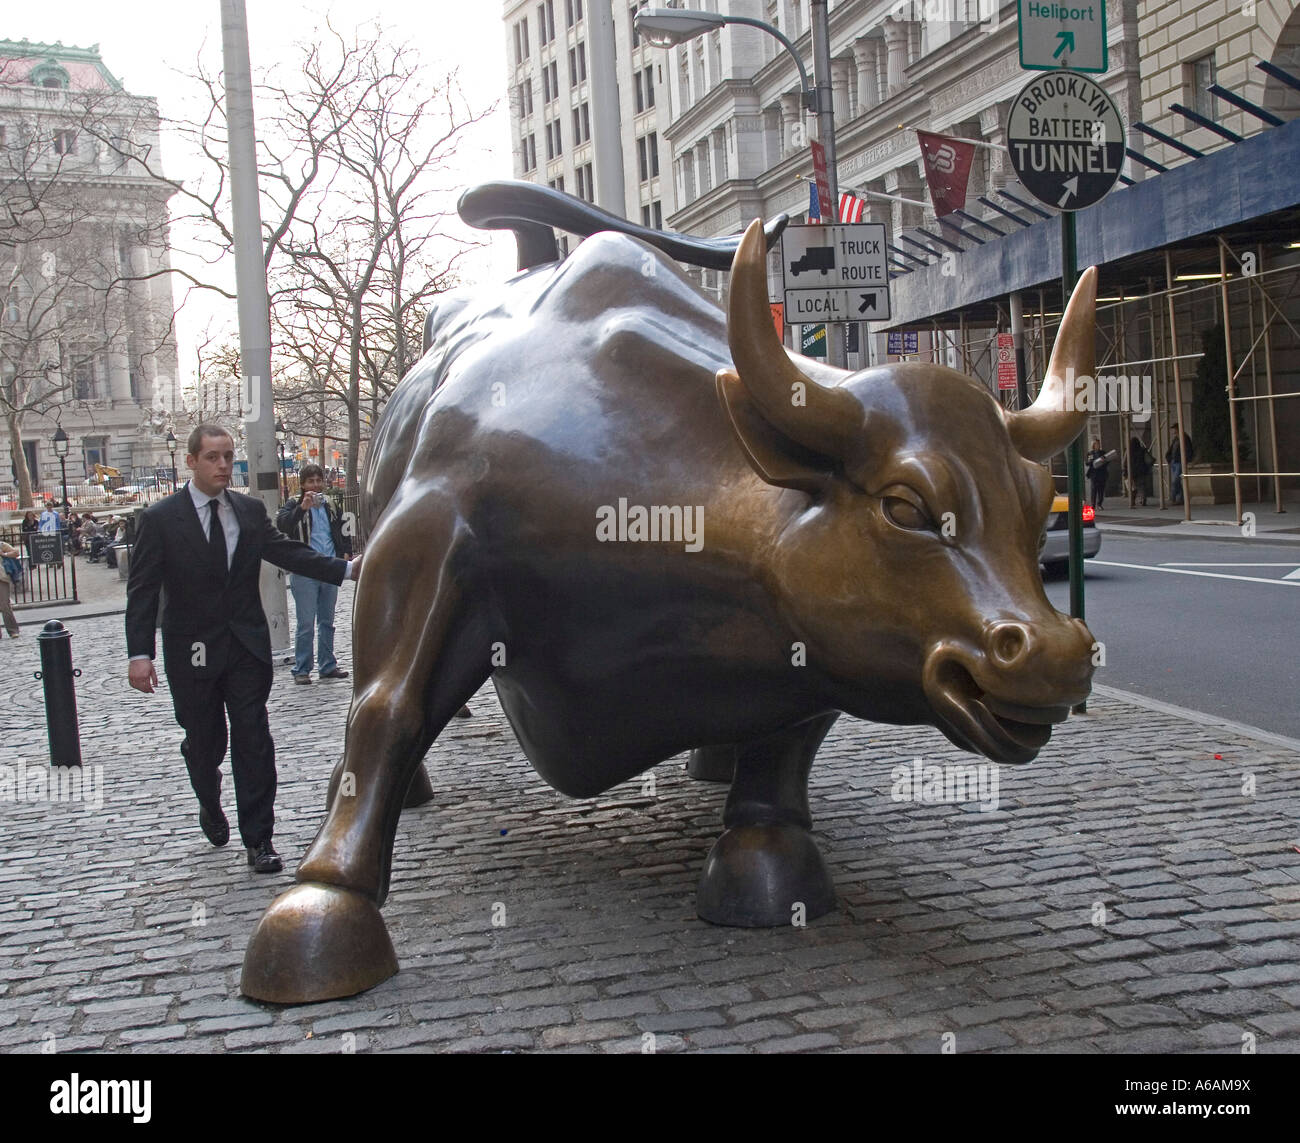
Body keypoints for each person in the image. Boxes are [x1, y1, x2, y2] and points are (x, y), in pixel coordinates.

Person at [125, 424, 362, 873]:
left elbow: (287, 552)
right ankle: (209, 800)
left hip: (245, 648)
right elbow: (142, 590)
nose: (221, 465)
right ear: (191, 461)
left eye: (227, 456)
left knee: (254, 739)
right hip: (191, 651)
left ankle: (260, 840)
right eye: (212, 457)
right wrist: (140, 654)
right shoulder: (160, 519)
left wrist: (345, 570)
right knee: (205, 742)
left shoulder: (249, 512)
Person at [276, 463, 353, 684]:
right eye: (311, 481)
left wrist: (344, 553)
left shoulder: (330, 505)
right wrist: (303, 508)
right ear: (302, 484)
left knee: (327, 621)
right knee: (306, 623)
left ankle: (328, 665)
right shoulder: (293, 505)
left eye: (319, 481)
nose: (316, 485)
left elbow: (342, 529)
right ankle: (302, 668)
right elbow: (283, 525)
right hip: (305, 570)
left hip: (329, 567)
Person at [1166, 428, 1194, 505]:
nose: (1175, 433)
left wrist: (1186, 460)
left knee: (1175, 480)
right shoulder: (1176, 439)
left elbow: (1188, 450)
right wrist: (1169, 458)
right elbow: (1171, 449)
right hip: (1174, 461)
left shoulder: (1185, 438)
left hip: (1180, 462)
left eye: (1175, 431)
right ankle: (1181, 498)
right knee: (1177, 481)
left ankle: (1173, 497)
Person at [1126, 431, 1154, 508]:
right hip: (1142, 470)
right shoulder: (1142, 450)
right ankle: (1143, 499)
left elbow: (1125, 462)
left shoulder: (1129, 452)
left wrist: (1125, 471)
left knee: (1133, 487)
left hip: (1132, 471)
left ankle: (1132, 501)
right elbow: (1150, 460)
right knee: (1142, 486)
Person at [0, 539, 21, 638]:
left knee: (5, 605)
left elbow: (16, 553)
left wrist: (4, 554)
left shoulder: (1, 545)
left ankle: (12, 630)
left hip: (1, 579)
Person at [1085, 438, 1110, 510]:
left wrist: (1104, 461)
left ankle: (1099, 504)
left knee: (1101, 490)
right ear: (1093, 445)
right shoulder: (1090, 453)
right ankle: (1093, 504)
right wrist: (1092, 461)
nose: (1097, 445)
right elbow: (1088, 463)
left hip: (1102, 473)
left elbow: (1107, 461)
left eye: (1098, 444)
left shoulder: (1103, 452)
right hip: (1094, 473)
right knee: (1094, 489)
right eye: (1096, 444)